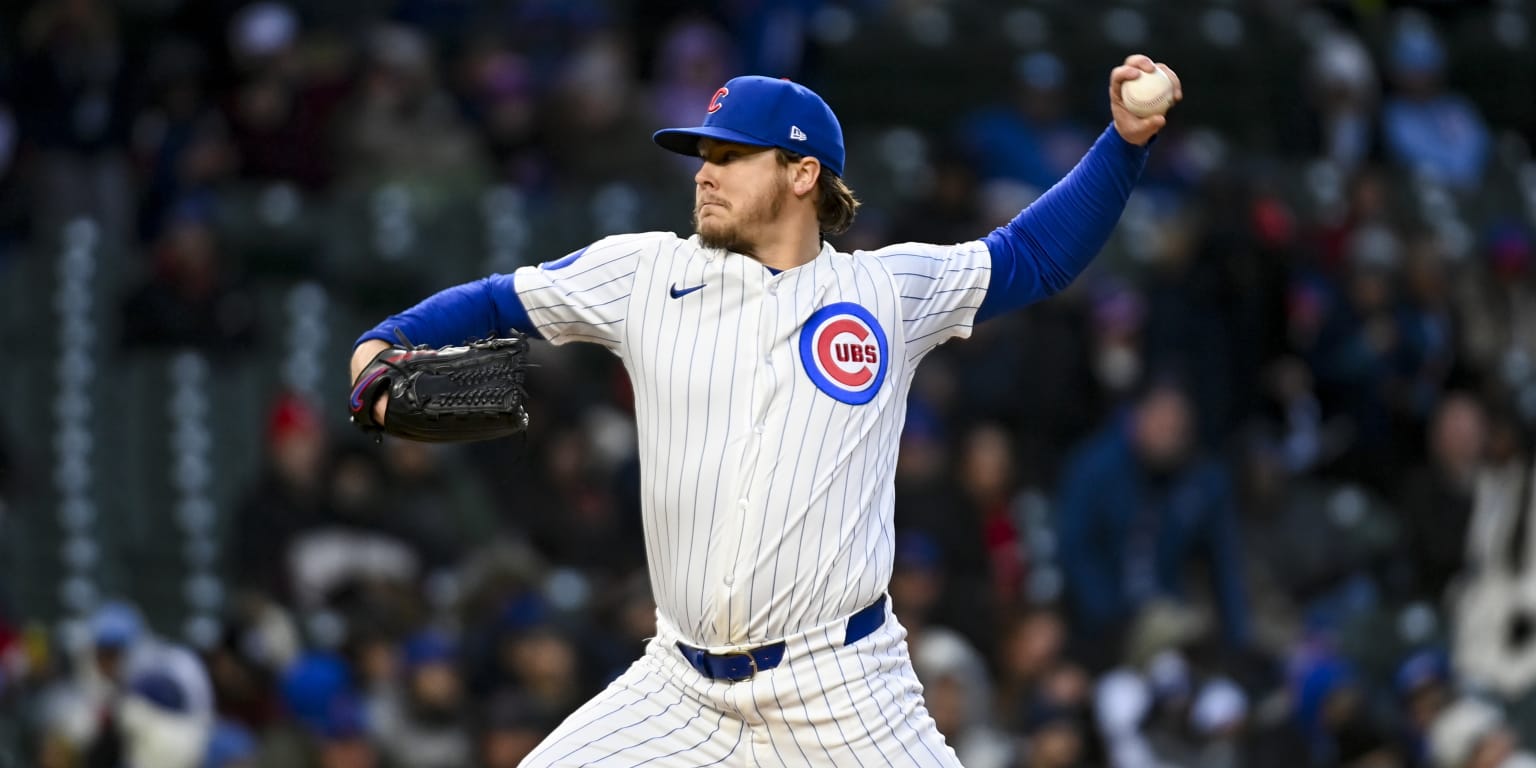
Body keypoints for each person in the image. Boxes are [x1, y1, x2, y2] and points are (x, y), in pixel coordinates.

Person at [349, 56, 1180, 765]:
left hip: (844, 688)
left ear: (802, 173)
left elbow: (1032, 255)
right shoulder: (646, 275)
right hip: (679, 687)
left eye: (730, 155)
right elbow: (500, 301)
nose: (703, 172)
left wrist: (1125, 143)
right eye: (701, 153)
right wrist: (386, 339)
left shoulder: (883, 293)